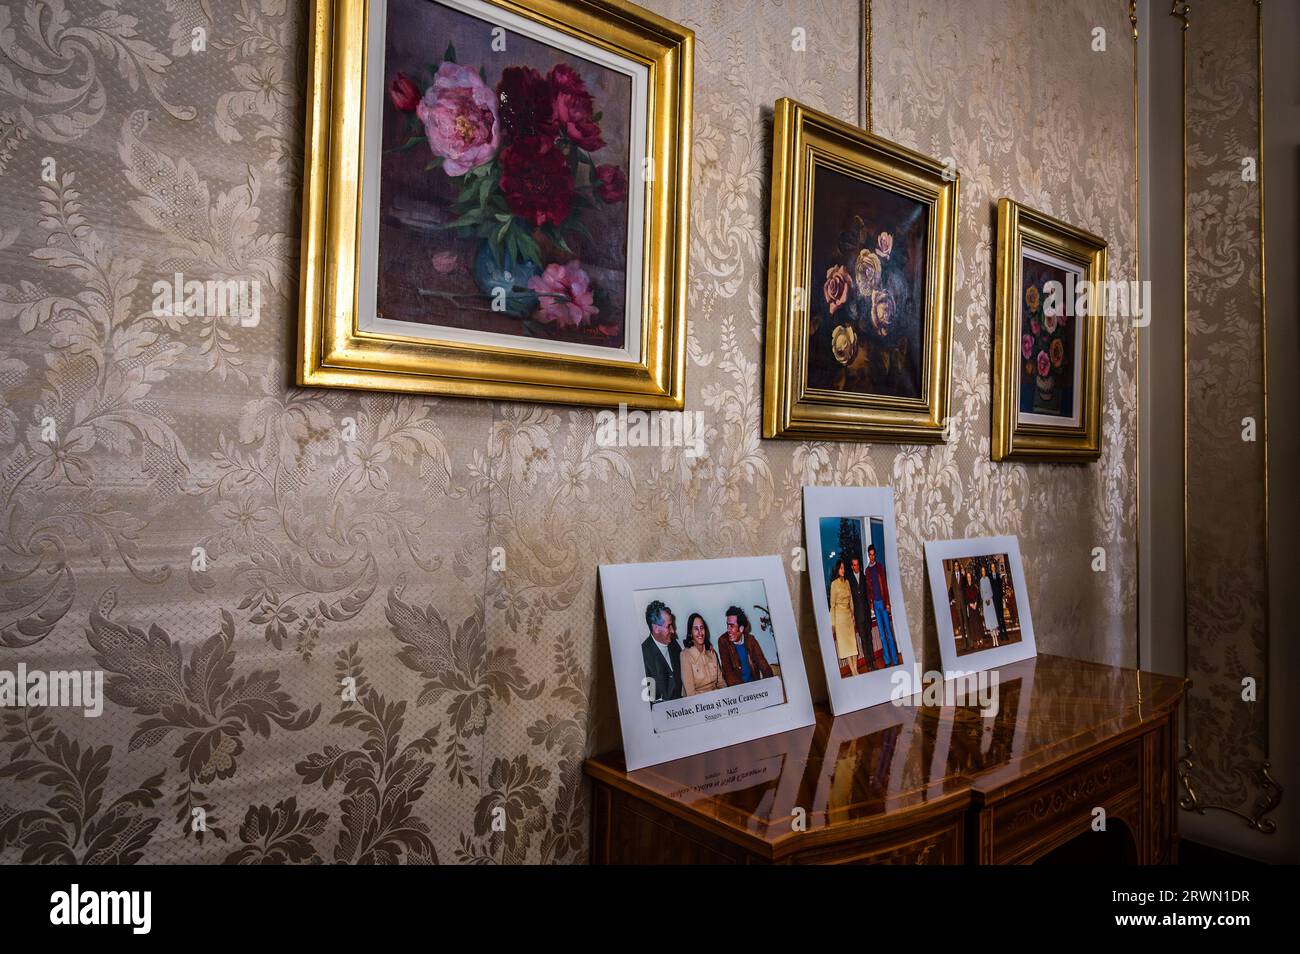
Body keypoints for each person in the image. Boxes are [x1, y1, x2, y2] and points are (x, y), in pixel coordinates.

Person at [718, 606, 774, 686]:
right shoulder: (723, 641)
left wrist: (770, 684)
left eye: (732, 626)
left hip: (755, 686)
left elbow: (763, 664)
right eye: (727, 625)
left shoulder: (751, 640)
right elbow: (728, 672)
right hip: (737, 690)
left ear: (741, 628)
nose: (728, 629)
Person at [863, 544, 900, 667]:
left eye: (873, 554)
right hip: (876, 605)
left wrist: (888, 602)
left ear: (875, 555)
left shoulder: (879, 567)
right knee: (882, 635)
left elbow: (884, 585)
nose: (872, 557)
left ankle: (895, 659)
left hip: (883, 603)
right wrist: (871, 603)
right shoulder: (867, 571)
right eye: (870, 555)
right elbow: (868, 590)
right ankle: (887, 660)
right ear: (868, 556)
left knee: (888, 632)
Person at [640, 600, 682, 702]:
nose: (673, 631)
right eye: (668, 626)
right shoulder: (642, 656)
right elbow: (649, 701)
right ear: (656, 628)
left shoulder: (674, 645)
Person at [680, 612, 726, 695]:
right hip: (699, 703)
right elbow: (690, 693)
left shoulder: (712, 653)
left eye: (702, 628)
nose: (700, 632)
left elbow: (721, 683)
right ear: (690, 633)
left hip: (717, 699)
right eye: (696, 629)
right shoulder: (685, 656)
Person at [828, 560, 858, 675]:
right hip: (840, 619)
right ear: (837, 569)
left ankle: (855, 671)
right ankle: (853, 671)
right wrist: (833, 624)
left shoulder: (847, 582)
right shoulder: (834, 584)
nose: (843, 570)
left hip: (849, 618)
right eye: (841, 568)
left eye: (844, 568)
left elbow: (851, 600)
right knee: (846, 648)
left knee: (853, 646)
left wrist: (853, 615)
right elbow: (832, 605)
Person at [846, 556, 876, 670]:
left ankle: (873, 662)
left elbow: (868, 594)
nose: (856, 567)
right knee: (864, 640)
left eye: (857, 564)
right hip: (858, 617)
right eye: (854, 565)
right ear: (852, 566)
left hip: (867, 615)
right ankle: (869, 665)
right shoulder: (849, 580)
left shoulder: (863, 577)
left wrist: (871, 606)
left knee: (870, 639)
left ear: (859, 565)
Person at [950, 560, 972, 650]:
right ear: (953, 567)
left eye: (957, 565)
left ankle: (970, 642)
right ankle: (964, 644)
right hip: (958, 604)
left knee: (966, 622)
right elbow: (952, 588)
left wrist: (964, 575)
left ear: (958, 566)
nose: (956, 567)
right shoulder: (952, 576)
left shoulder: (962, 575)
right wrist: (952, 599)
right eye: (955, 566)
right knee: (961, 624)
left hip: (963, 602)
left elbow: (966, 585)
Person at [979, 565, 999, 647]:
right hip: (985, 602)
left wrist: (989, 598)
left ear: (985, 572)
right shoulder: (981, 580)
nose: (983, 572)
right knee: (989, 621)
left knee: (993, 619)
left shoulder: (987, 579)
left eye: (984, 571)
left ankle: (996, 639)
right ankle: (993, 639)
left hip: (990, 601)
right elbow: (982, 592)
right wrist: (985, 599)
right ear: (981, 572)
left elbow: (990, 589)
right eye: (982, 571)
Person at [963, 568, 983, 645]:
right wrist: (971, 604)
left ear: (971, 577)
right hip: (971, 608)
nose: (969, 578)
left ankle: (980, 638)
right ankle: (977, 639)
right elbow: (966, 598)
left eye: (969, 576)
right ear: (967, 578)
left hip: (976, 607)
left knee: (978, 623)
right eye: (967, 577)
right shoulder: (966, 588)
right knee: (973, 624)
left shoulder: (975, 586)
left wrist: (975, 604)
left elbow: (977, 596)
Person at [990, 561, 1006, 641]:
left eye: (994, 567)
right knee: (997, 617)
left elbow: (1001, 587)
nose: (993, 568)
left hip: (999, 599)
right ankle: (1001, 635)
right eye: (992, 567)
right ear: (991, 568)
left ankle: (1005, 633)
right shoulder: (990, 577)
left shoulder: (998, 575)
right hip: (994, 600)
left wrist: (1002, 596)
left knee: (1002, 617)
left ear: (995, 568)